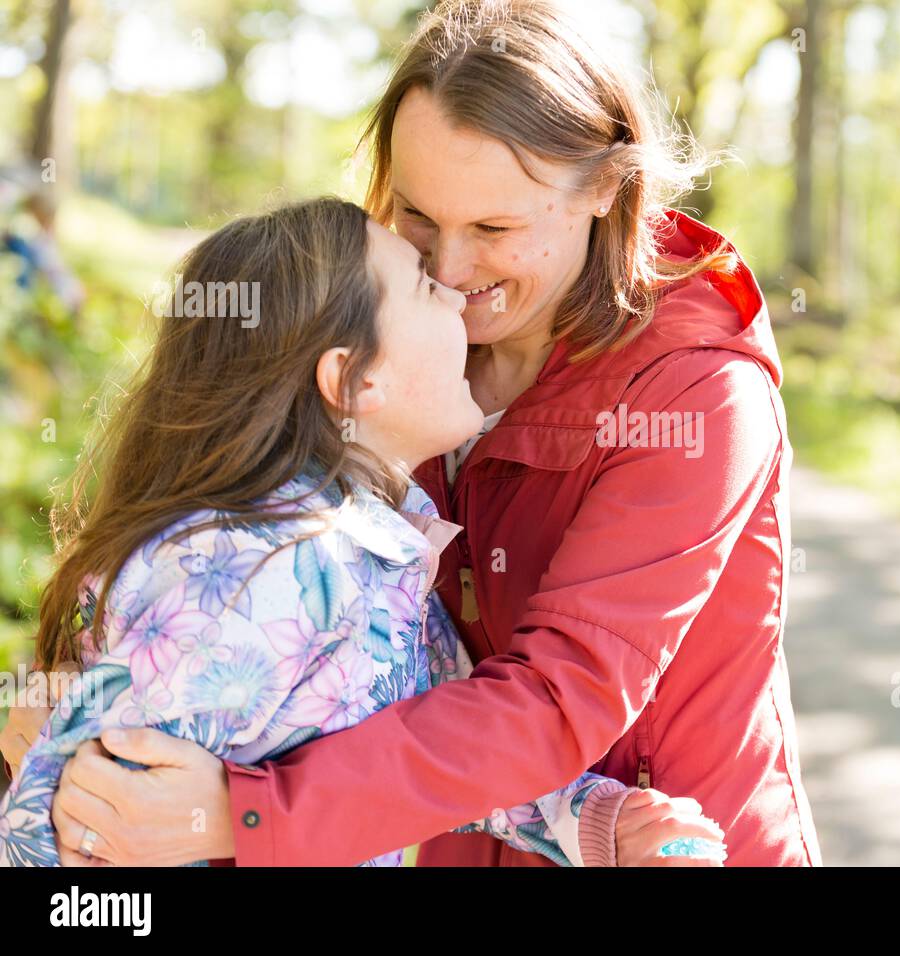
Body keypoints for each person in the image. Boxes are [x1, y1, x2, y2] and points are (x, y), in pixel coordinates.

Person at [9, 0, 821, 867]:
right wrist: (73, 723)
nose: (453, 270)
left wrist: (244, 813)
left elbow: (556, 697)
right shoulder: (408, 354)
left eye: (495, 228)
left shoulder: (695, 394)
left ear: (605, 188)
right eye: (419, 219)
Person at [0, 196, 724, 867]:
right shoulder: (257, 571)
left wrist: (600, 820)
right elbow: (89, 818)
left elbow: (439, 751)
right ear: (352, 382)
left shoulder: (378, 554)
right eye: (421, 284)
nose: (454, 290)